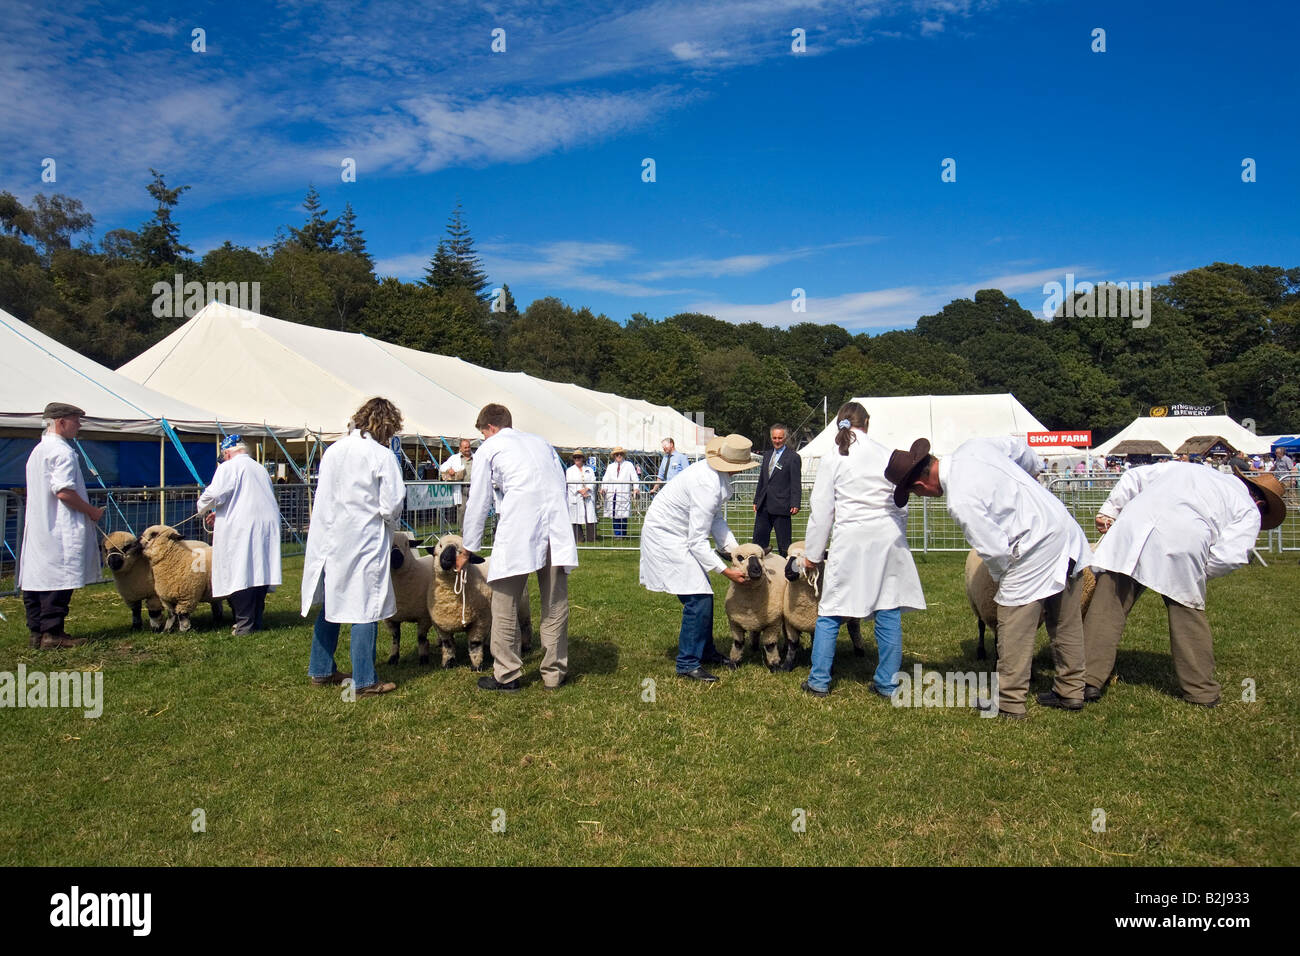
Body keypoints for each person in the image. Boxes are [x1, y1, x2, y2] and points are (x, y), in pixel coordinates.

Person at [888, 435, 1093, 719]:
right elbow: (1022, 449)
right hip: (1063, 526)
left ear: (920, 485)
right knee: (1065, 618)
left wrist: (1003, 581)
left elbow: (995, 551)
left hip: (1033, 543)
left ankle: (1009, 701)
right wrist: (1031, 472)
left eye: (916, 494)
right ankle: (1071, 689)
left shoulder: (960, 499)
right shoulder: (973, 446)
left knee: (1012, 622)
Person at [1083, 462, 1285, 707]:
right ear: (1261, 504)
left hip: (1132, 526)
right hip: (1183, 539)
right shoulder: (1248, 509)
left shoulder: (1189, 468)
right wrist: (1200, 572)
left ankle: (1087, 680)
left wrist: (1110, 511)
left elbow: (1134, 476)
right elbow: (1232, 555)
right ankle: (1201, 691)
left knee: (1108, 605)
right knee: (1186, 614)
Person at [799, 404, 925, 698]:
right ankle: (887, 682)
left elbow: (821, 511)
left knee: (831, 608)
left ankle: (818, 680)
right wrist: (896, 533)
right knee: (888, 607)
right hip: (886, 538)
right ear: (867, 423)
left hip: (850, 538)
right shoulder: (888, 455)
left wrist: (813, 554)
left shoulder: (833, 458)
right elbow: (900, 503)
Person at [459, 403, 578, 691]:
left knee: (505, 600)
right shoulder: (541, 442)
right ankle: (554, 673)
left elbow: (479, 500)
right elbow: (558, 482)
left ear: (490, 428)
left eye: (484, 434)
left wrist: (468, 548)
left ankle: (507, 673)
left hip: (519, 526)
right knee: (554, 600)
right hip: (555, 525)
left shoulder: (490, 448)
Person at [300, 398, 405, 696]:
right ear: (387, 426)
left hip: (331, 537)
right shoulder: (381, 455)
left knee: (332, 601)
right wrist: (390, 520)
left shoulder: (334, 451)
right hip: (363, 539)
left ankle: (321, 668)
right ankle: (365, 679)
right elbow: (392, 503)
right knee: (365, 606)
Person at [640, 434, 757, 682]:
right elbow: (697, 540)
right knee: (698, 597)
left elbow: (714, 519)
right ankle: (687, 663)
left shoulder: (714, 476)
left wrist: (737, 552)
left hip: (678, 534)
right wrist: (726, 571)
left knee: (703, 594)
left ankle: (704, 651)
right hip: (667, 535)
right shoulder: (708, 484)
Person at [19, 402, 103, 649]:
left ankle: (37, 631)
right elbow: (64, 491)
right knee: (58, 579)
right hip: (59, 525)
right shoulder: (63, 452)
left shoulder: (38, 451)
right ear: (61, 421)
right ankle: (52, 633)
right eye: (76, 420)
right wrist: (91, 511)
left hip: (40, 526)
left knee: (37, 577)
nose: (79, 425)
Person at [198, 434, 282, 636]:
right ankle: (256, 621)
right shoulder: (259, 468)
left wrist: (202, 506)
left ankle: (244, 625)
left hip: (242, 527)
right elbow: (245, 496)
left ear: (226, 453)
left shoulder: (229, 467)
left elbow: (216, 494)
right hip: (265, 525)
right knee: (260, 571)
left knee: (240, 572)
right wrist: (218, 513)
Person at [752, 423, 802, 557]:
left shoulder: (793, 457)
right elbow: (762, 479)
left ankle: (788, 573)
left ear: (785, 438)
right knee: (758, 543)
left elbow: (796, 482)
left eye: (780, 438)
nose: (777, 441)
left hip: (782, 505)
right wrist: (756, 500)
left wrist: (795, 503)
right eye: (774, 438)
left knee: (784, 545)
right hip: (764, 505)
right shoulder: (767, 455)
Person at [602, 446, 638, 538]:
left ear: (623, 455)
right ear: (614, 456)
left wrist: (636, 488)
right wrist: (603, 488)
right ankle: (617, 534)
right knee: (614, 513)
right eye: (617, 454)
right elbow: (605, 479)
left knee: (623, 513)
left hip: (623, 492)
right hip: (612, 492)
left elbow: (634, 477)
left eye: (620, 454)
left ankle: (623, 534)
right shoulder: (610, 466)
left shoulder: (629, 465)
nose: (619, 456)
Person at [439, 437, 473, 530]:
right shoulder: (454, 458)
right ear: (460, 449)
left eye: (469, 447)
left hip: (475, 488)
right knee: (462, 510)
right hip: (462, 489)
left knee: (475, 511)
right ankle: (462, 533)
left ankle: (475, 534)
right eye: (465, 448)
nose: (467, 449)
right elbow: (442, 467)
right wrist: (448, 469)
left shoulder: (476, 458)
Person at [565, 450, 598, 543]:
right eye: (575, 457)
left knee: (590, 516)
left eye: (579, 457)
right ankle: (579, 538)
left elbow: (593, 481)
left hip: (588, 494)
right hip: (576, 495)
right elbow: (570, 483)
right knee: (575, 517)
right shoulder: (570, 470)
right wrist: (580, 490)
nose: (577, 459)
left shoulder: (589, 469)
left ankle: (591, 538)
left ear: (583, 458)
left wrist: (587, 489)